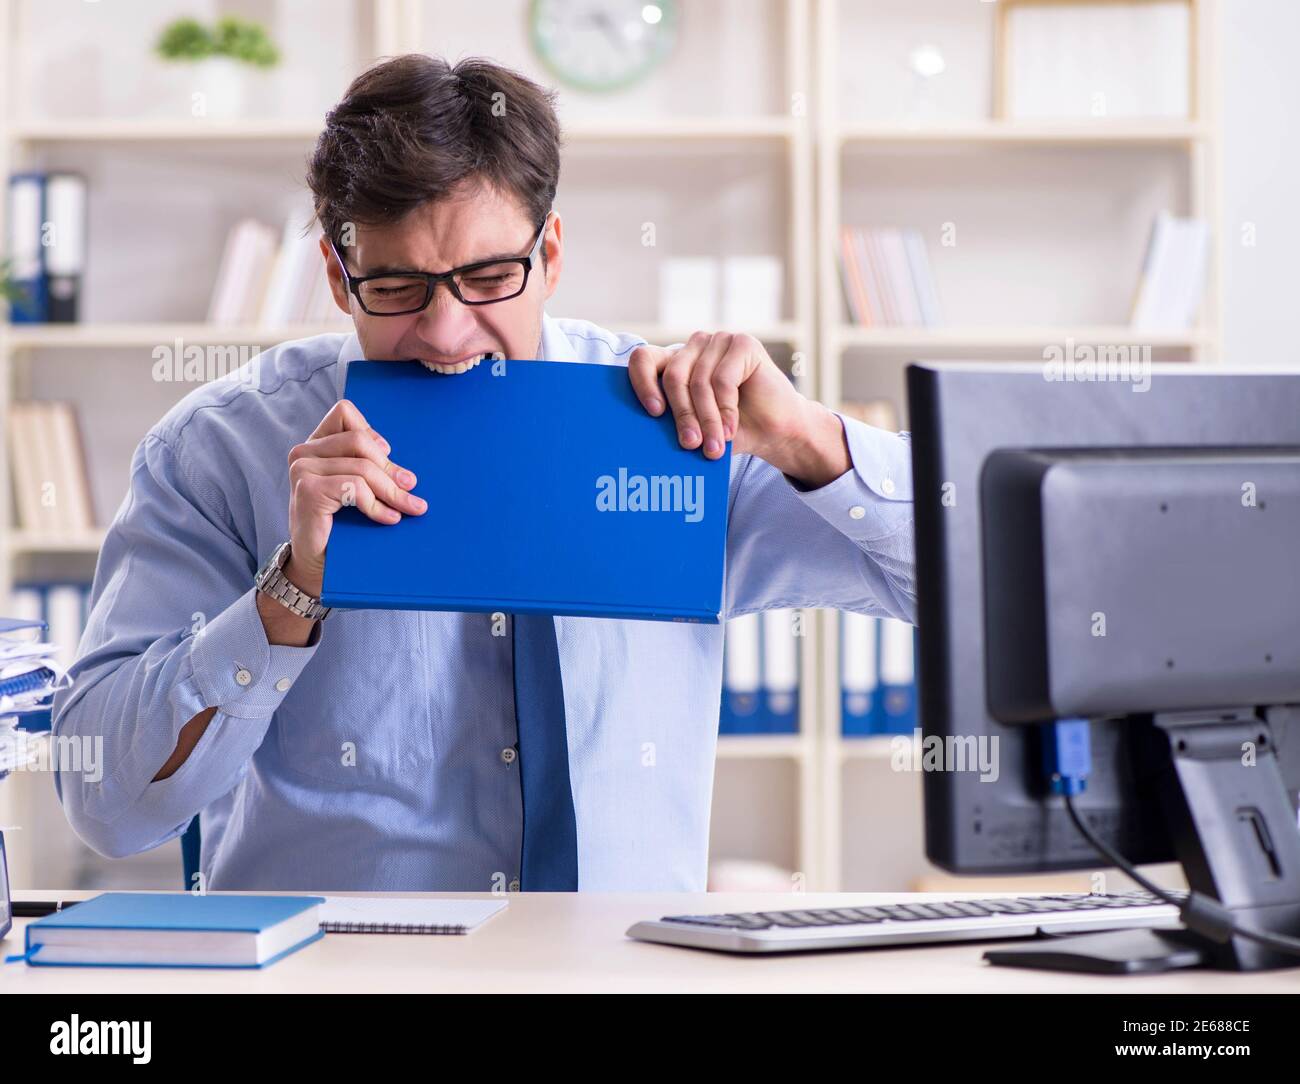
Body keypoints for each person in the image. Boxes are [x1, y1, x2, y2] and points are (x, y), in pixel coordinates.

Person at [52, 55, 915, 892]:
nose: (447, 332)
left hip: (623, 973)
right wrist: (290, 595)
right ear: (337, 276)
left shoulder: (677, 427)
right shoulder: (217, 450)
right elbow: (109, 810)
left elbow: (985, 592)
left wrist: (811, 443)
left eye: (490, 276)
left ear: (551, 256)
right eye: (395, 287)